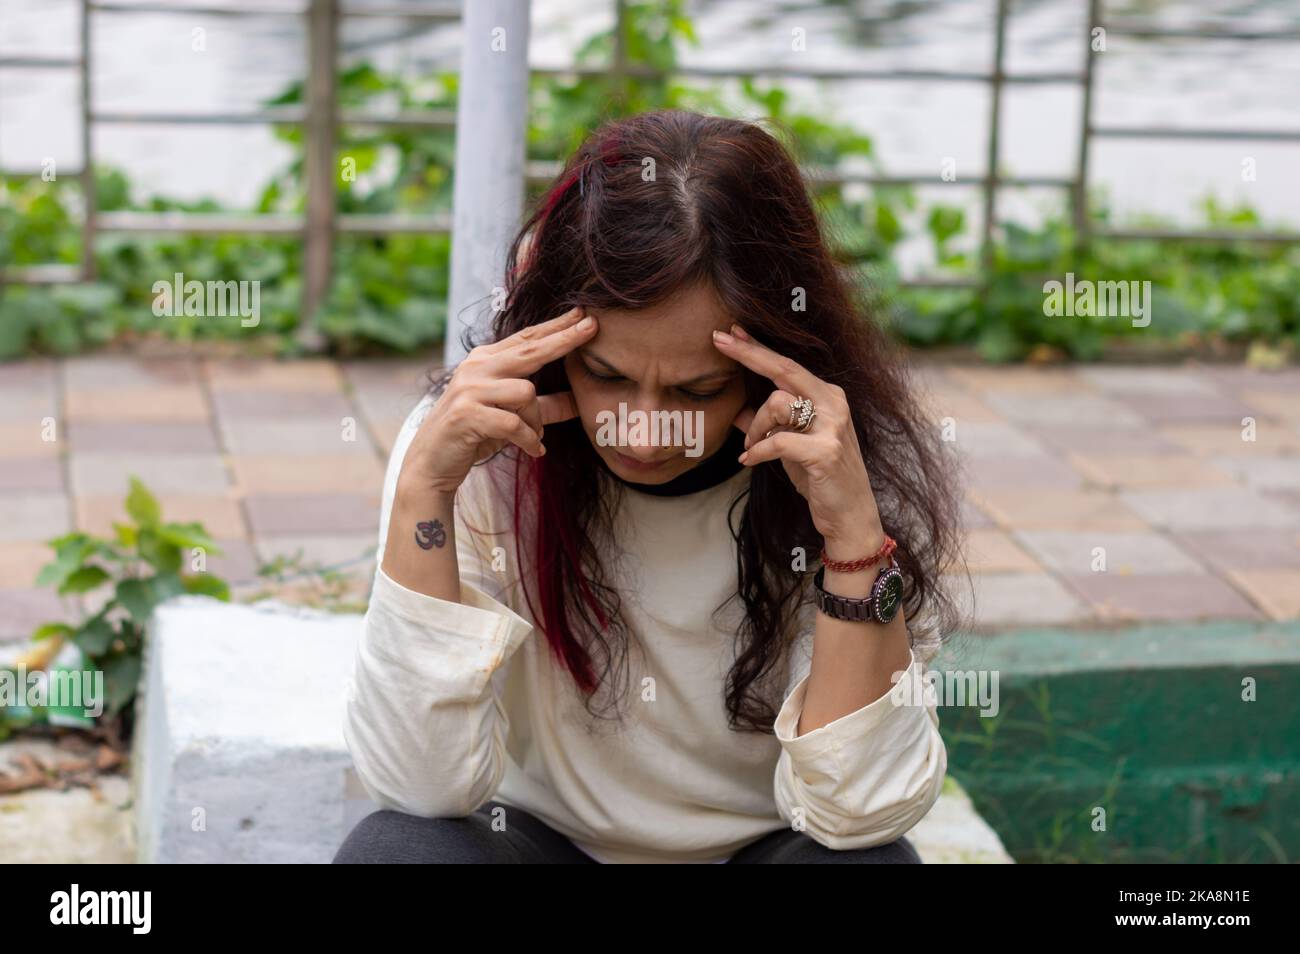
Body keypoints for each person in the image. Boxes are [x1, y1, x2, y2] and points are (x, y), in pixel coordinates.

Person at [334, 109, 970, 864]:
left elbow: (862, 813)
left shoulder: (845, 468)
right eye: (605, 375)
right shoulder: (477, 452)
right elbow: (419, 788)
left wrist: (856, 544)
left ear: (775, 359)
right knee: (400, 852)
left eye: (696, 390)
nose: (641, 432)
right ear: (550, 338)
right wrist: (422, 494)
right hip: (543, 848)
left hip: (757, 853)